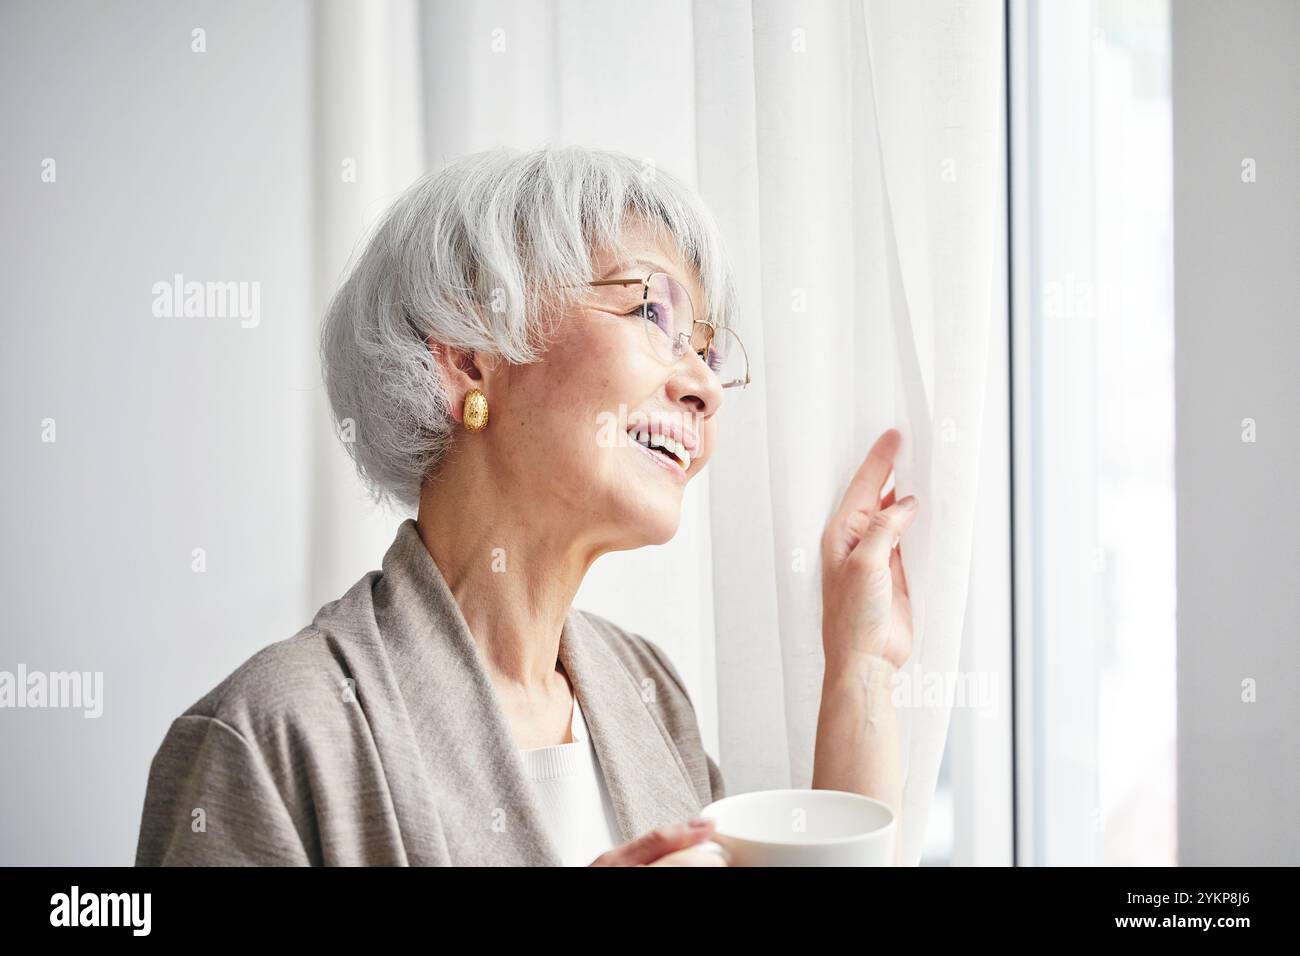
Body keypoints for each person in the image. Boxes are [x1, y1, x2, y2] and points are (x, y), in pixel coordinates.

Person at [134, 146, 918, 866]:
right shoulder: (269, 736)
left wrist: (860, 666)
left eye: (708, 354)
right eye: (653, 313)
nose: (706, 387)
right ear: (468, 355)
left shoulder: (647, 692)